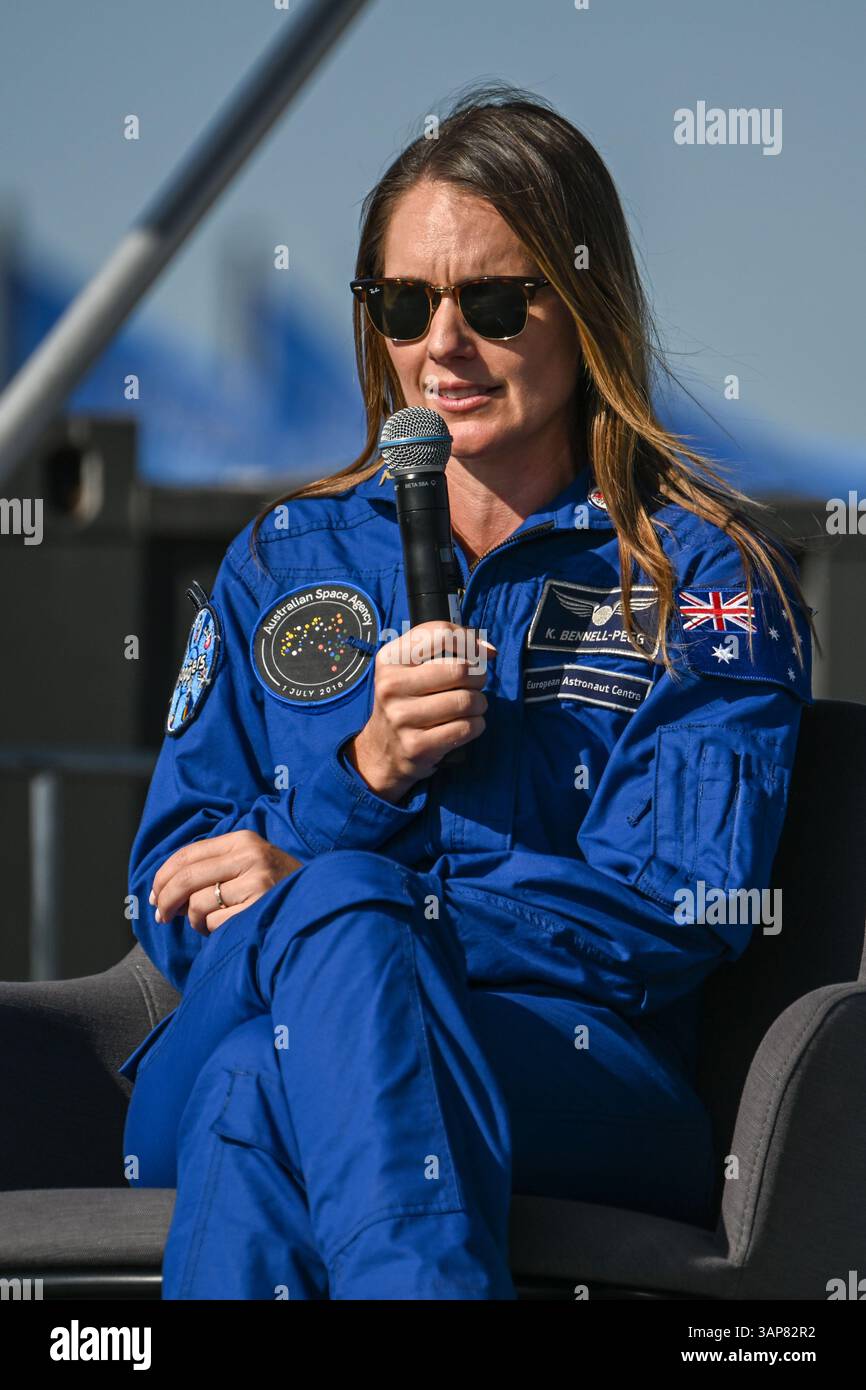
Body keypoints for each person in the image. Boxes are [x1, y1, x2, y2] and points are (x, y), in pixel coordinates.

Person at [118, 82, 814, 1301]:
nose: (441, 345)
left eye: (493, 303)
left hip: (569, 1068)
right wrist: (359, 786)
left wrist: (367, 899)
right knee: (318, 968)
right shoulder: (281, 559)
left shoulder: (700, 580)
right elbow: (170, 894)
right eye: (402, 305)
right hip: (245, 1017)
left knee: (265, 1078)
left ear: (582, 308)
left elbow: (683, 906)